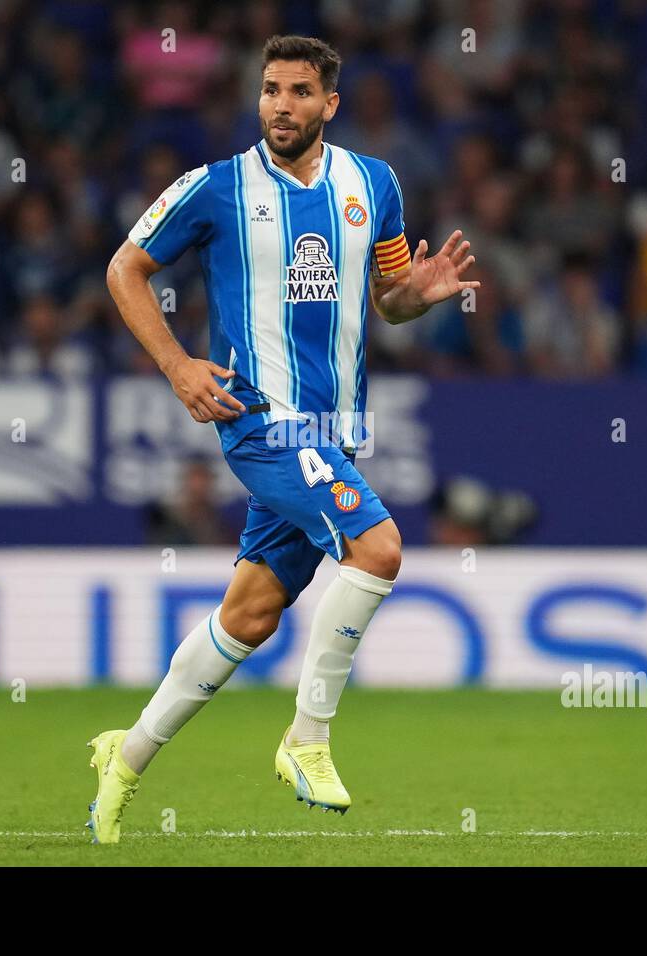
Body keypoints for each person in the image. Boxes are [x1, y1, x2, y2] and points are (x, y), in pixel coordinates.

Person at [93, 34, 479, 843]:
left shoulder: (374, 183)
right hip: (260, 419)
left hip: (338, 432)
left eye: (301, 92)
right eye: (270, 89)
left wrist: (420, 294)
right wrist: (175, 366)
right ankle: (307, 739)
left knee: (252, 612)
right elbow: (124, 269)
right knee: (377, 550)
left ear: (329, 105)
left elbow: (388, 298)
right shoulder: (215, 186)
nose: (281, 105)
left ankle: (122, 759)